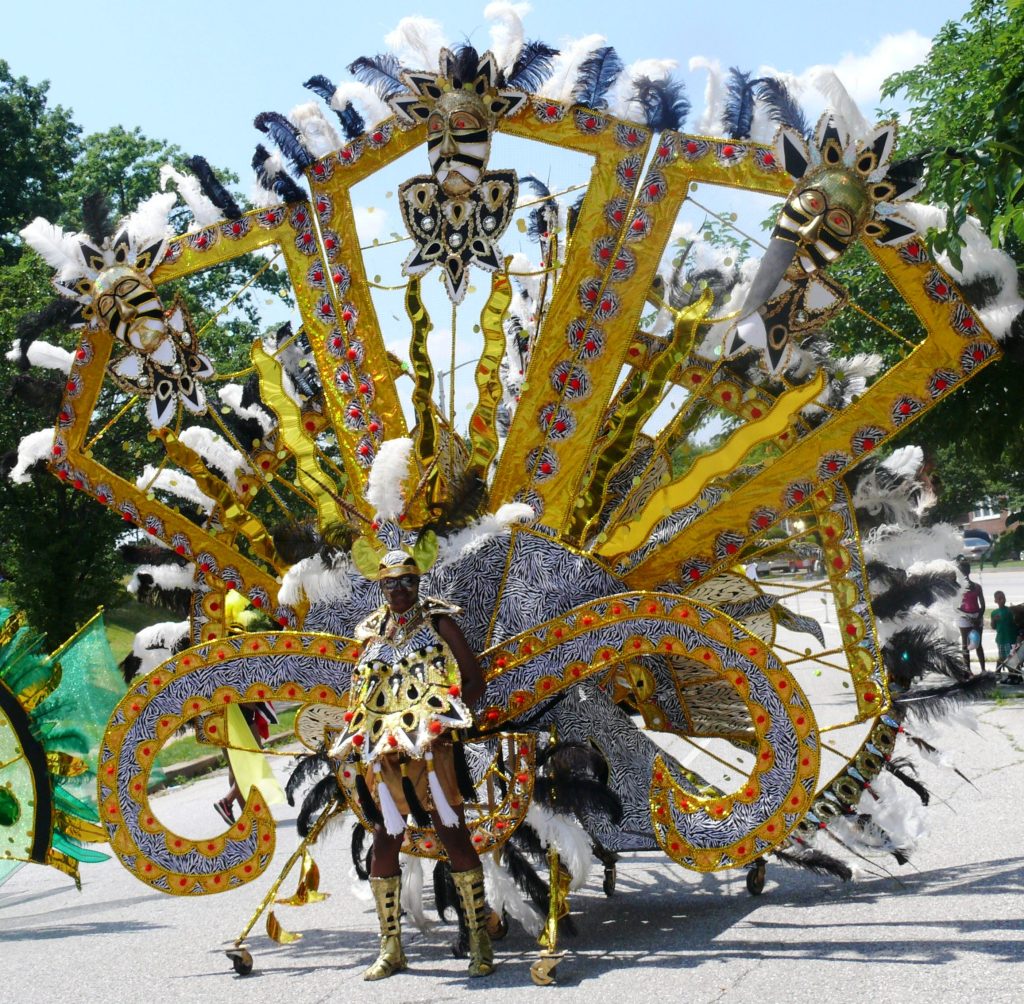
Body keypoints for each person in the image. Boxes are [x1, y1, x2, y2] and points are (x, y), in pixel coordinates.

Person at [333, 550, 493, 981]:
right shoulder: (370, 632)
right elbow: (359, 696)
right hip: (385, 758)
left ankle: (479, 940)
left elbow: (473, 680)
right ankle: (391, 948)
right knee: (384, 842)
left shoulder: (439, 622)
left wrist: (446, 725)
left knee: (453, 836)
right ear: (380, 587)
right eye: (391, 583)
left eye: (408, 581)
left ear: (419, 583)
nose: (400, 590)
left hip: (434, 753)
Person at [956, 557, 986, 673]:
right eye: (961, 571)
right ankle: (968, 671)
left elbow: (982, 605)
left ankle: (983, 670)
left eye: (965, 570)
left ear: (968, 571)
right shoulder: (957, 589)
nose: (963, 573)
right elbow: (955, 607)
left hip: (977, 616)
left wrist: (977, 618)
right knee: (965, 644)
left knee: (978, 642)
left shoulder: (977, 587)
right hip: (963, 617)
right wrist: (968, 616)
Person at [991, 590, 1017, 664]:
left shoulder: (1010, 610)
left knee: (1011, 660)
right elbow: (993, 627)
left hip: (1011, 639)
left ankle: (1012, 674)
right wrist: (993, 620)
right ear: (995, 601)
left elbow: (1016, 623)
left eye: (1003, 598)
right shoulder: (994, 613)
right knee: (1002, 658)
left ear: (1005, 599)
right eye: (999, 598)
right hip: (1000, 640)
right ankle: (998, 672)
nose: (1002, 600)